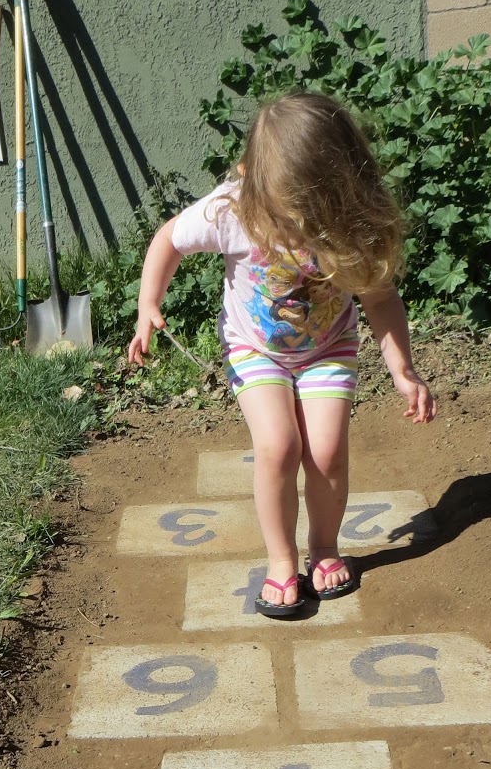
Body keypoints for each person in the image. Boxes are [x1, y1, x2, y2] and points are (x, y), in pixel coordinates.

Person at [127, 91, 435, 619]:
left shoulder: (351, 225)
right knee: (278, 445)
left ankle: (324, 547)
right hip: (254, 347)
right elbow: (168, 240)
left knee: (326, 450)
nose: (297, 226)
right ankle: (280, 558)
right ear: (257, 181)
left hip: (328, 346)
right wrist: (148, 303)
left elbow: (381, 298)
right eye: (286, 211)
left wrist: (403, 371)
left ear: (341, 190)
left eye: (308, 214)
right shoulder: (231, 210)